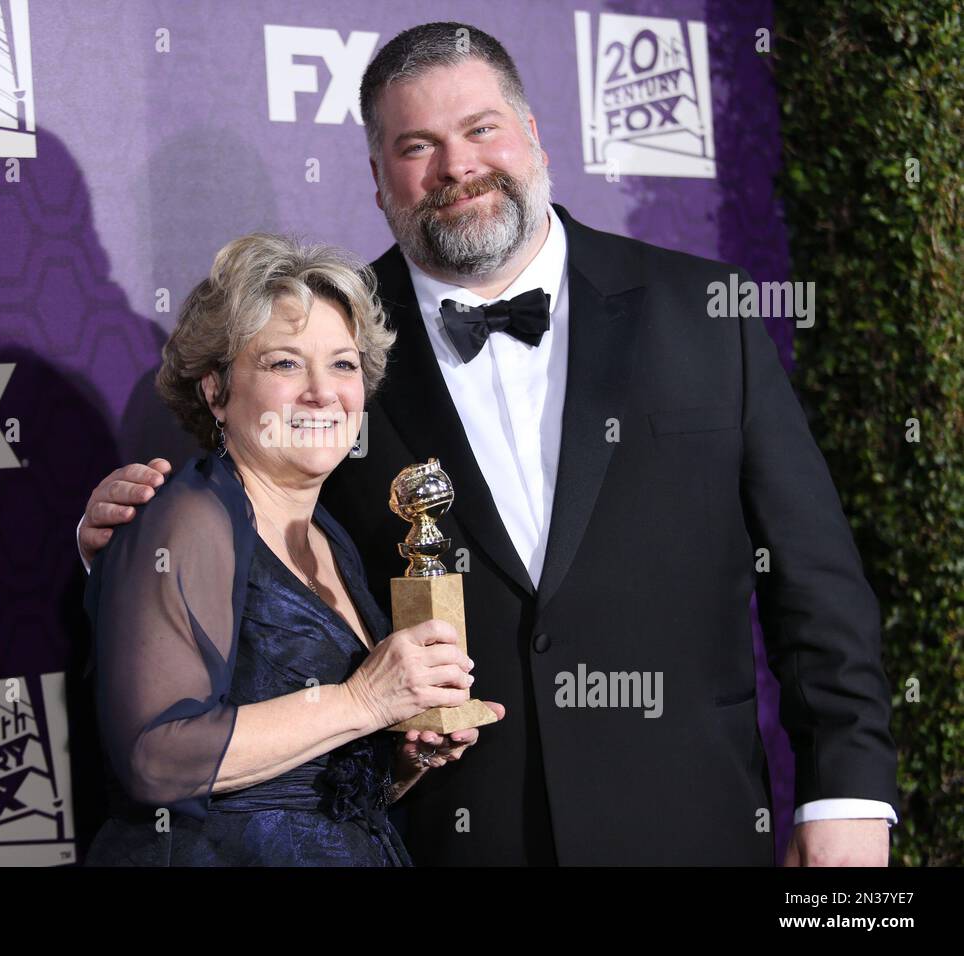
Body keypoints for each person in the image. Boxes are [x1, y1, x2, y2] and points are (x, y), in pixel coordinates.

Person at [80, 23, 898, 865]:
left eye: (480, 129)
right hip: (453, 837)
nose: (457, 166)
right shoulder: (336, 346)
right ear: (375, 178)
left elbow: (817, 580)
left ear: (534, 134)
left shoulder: (703, 312)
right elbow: (245, 549)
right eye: (417, 145)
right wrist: (128, 547)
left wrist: (850, 792)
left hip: (691, 826)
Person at [83, 231, 505, 866]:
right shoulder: (188, 518)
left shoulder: (327, 534)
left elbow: (303, 794)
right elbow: (157, 760)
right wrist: (364, 700)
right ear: (215, 391)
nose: (322, 391)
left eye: (342, 363)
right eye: (283, 363)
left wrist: (400, 756)